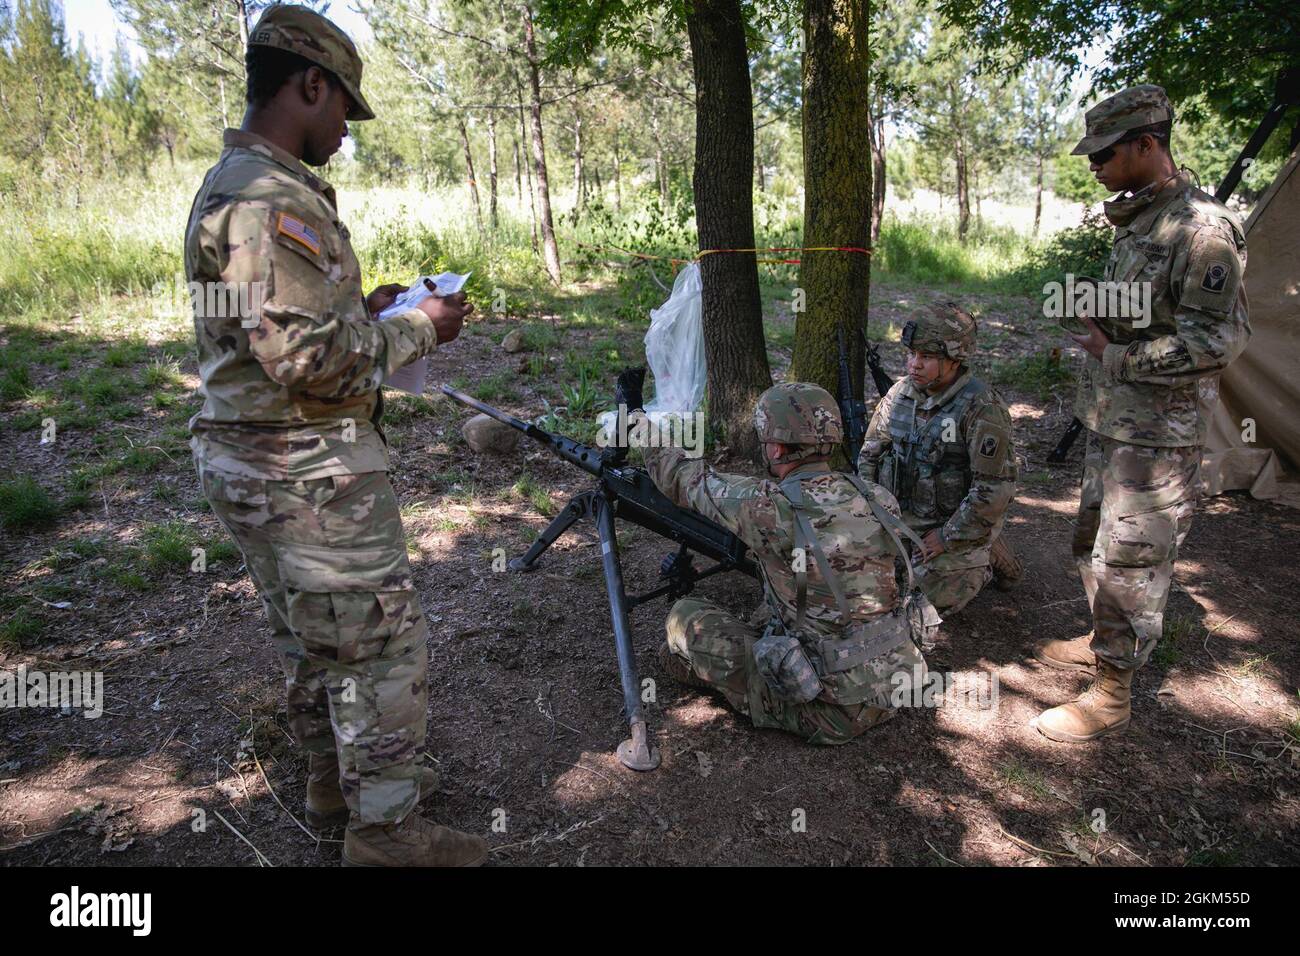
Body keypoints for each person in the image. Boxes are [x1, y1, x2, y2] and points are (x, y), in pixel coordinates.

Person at [186, 5, 483, 865]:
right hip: (307, 472)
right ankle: (388, 837)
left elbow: (272, 328)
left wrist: (368, 309)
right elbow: (312, 363)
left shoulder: (234, 183)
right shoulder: (267, 198)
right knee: (381, 650)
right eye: (342, 111)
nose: (345, 134)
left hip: (257, 461)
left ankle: (333, 785)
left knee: (316, 638)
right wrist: (421, 327)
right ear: (308, 84)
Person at [1032, 85, 1251, 742]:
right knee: (1094, 542)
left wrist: (1118, 357)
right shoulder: (1143, 219)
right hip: (1114, 418)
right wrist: (1093, 313)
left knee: (1131, 556)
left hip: (1158, 431)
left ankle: (1112, 692)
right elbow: (1146, 310)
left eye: (1105, 152)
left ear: (1147, 146)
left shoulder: (1203, 231)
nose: (1094, 164)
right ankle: (1104, 638)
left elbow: (1217, 342)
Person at [623, 373, 928, 745]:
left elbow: (682, 477)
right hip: (898, 686)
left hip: (831, 712)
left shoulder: (766, 507)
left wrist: (636, 418)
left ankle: (713, 677)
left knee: (683, 616)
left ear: (778, 449)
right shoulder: (878, 497)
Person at [859, 302, 1021, 618]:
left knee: (921, 601)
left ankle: (984, 557)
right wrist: (871, 513)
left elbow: (994, 490)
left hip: (944, 529)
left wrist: (947, 537)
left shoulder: (982, 408)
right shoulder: (899, 394)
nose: (914, 364)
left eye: (927, 357)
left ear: (954, 359)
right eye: (911, 354)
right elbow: (869, 457)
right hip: (898, 523)